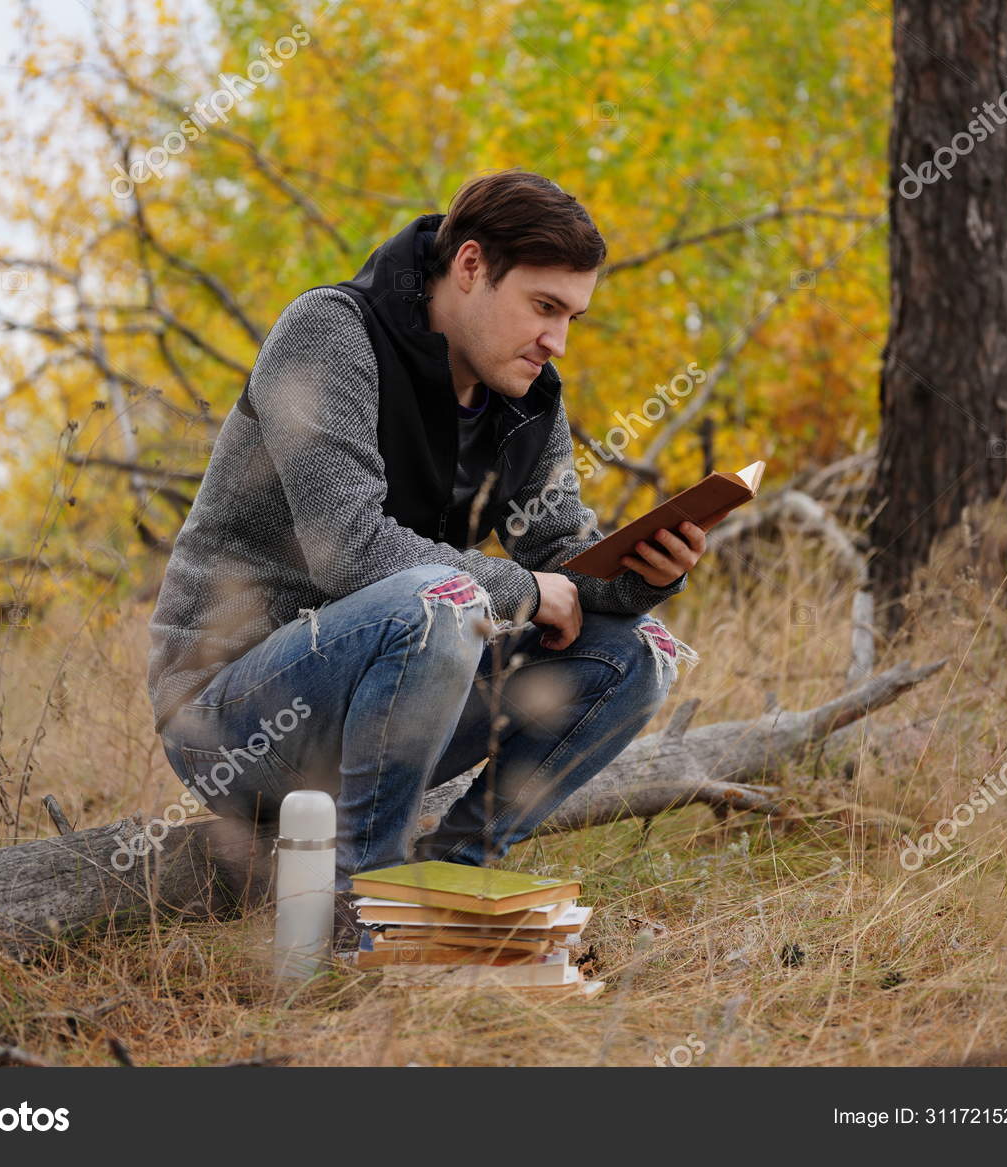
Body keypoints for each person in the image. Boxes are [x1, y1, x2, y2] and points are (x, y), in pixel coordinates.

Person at [145, 169, 704, 943]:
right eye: (544, 307)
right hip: (234, 717)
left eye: (572, 316)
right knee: (442, 600)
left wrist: (646, 574)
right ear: (470, 266)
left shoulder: (526, 392)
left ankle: (459, 875)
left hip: (401, 688)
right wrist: (520, 589)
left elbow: (560, 555)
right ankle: (361, 907)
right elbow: (350, 551)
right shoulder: (330, 333)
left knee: (640, 654)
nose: (557, 339)